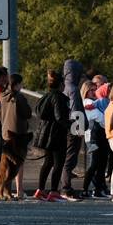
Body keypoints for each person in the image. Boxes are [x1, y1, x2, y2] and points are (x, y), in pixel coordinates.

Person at [33, 69, 69, 201]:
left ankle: (40, 190)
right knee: (58, 163)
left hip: (45, 133)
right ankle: (54, 191)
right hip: (57, 134)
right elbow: (60, 117)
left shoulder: (45, 96)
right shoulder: (59, 97)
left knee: (47, 162)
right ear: (61, 84)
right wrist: (71, 124)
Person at [0, 73, 31, 200]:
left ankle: (4, 191)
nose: (22, 86)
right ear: (16, 85)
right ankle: (18, 190)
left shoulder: (2, 96)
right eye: (21, 83)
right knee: (17, 163)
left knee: (5, 165)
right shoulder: (19, 97)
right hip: (18, 135)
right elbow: (27, 113)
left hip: (6, 133)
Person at [61, 57, 85, 198]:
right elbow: (76, 110)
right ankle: (66, 188)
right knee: (70, 159)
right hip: (73, 129)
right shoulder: (74, 90)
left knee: (67, 158)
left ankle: (65, 186)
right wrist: (79, 129)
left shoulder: (65, 87)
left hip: (67, 127)